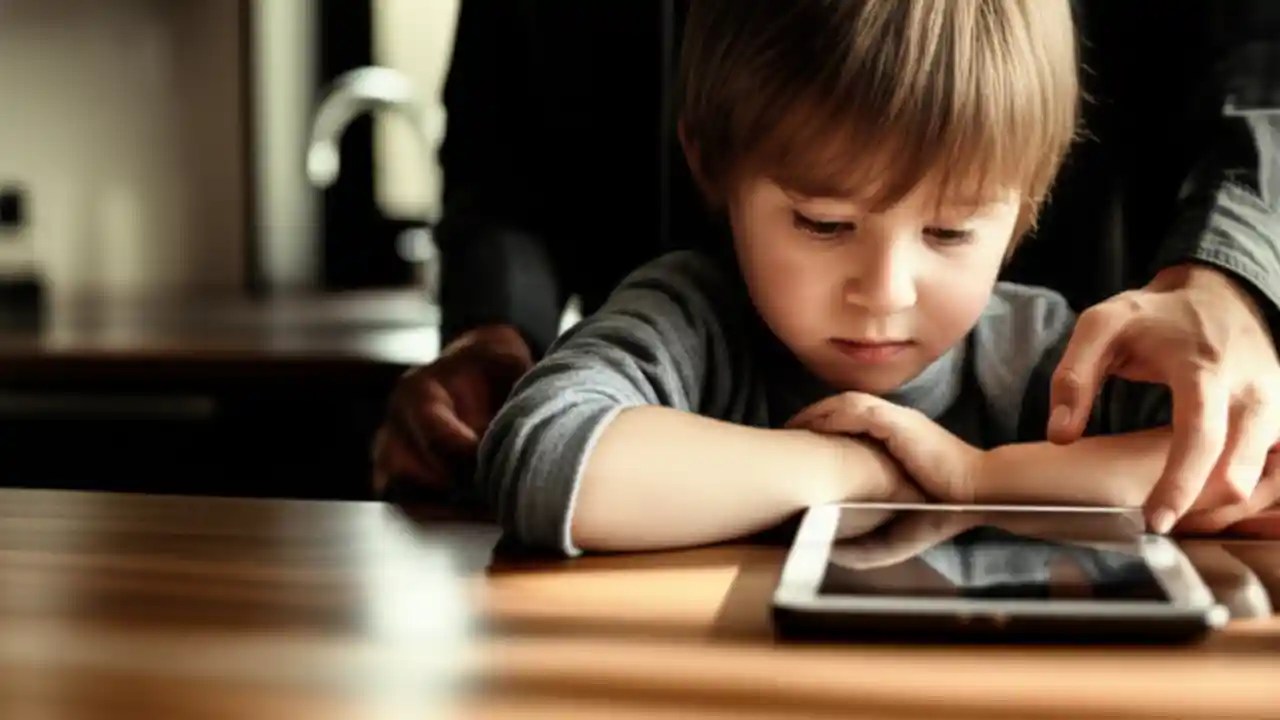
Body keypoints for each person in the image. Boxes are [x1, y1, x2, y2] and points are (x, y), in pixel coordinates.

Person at [374, 0, 1280, 534]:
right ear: (712, 167)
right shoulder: (688, 321)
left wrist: (975, 479)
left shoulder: (1051, 356)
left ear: (1029, 201)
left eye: (950, 232)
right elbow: (542, 464)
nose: (884, 290)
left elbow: (1254, 463)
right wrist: (865, 471)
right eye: (821, 222)